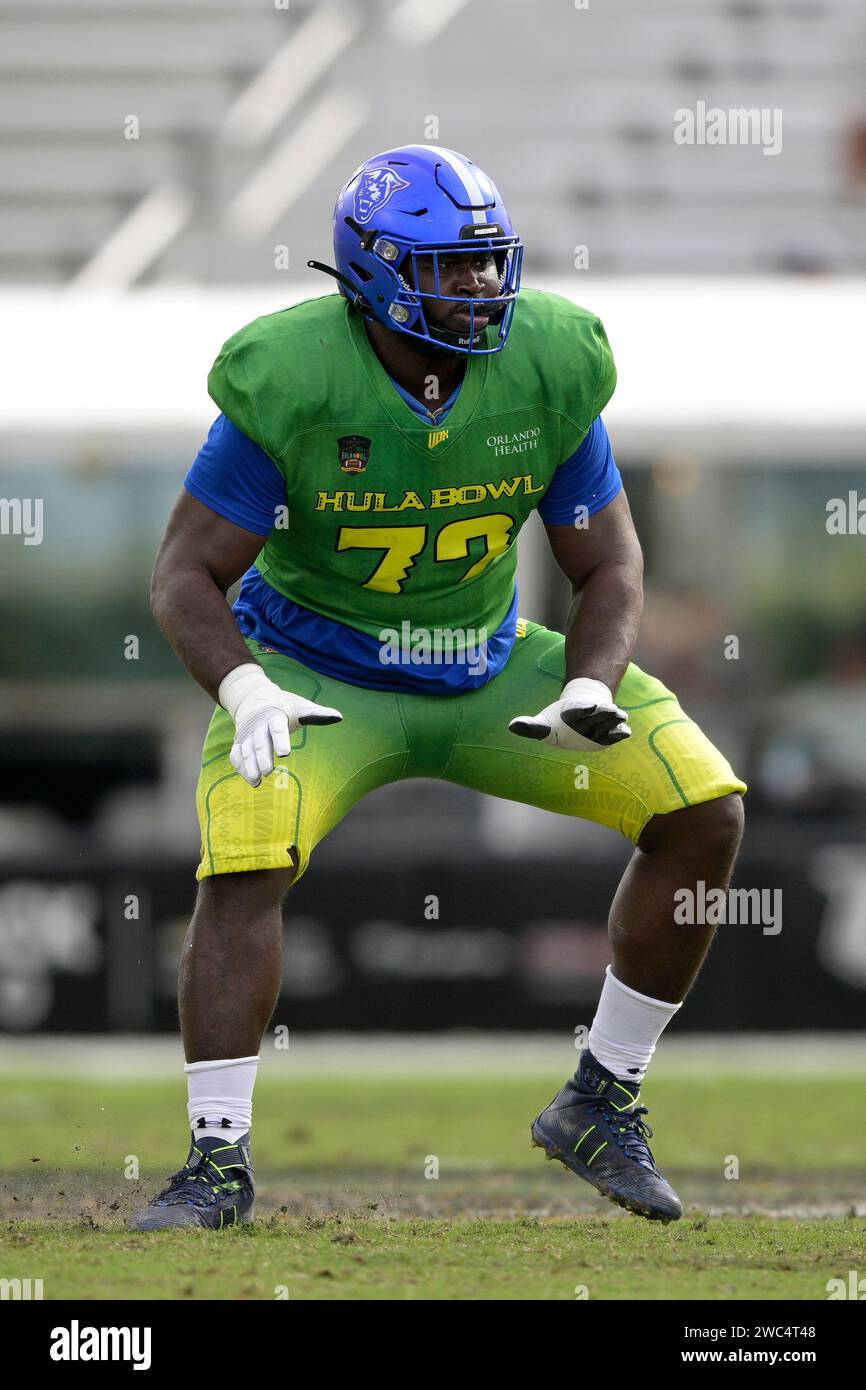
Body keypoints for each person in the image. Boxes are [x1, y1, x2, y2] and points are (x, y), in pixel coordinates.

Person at [131, 145, 745, 1231]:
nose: (479, 290)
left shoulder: (546, 366)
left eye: (486, 264)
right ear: (370, 273)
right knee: (246, 858)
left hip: (486, 662)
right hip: (312, 678)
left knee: (702, 809)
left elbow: (607, 562)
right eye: (449, 270)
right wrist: (240, 689)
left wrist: (589, 683)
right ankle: (214, 1161)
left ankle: (600, 1095)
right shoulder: (292, 378)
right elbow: (185, 570)